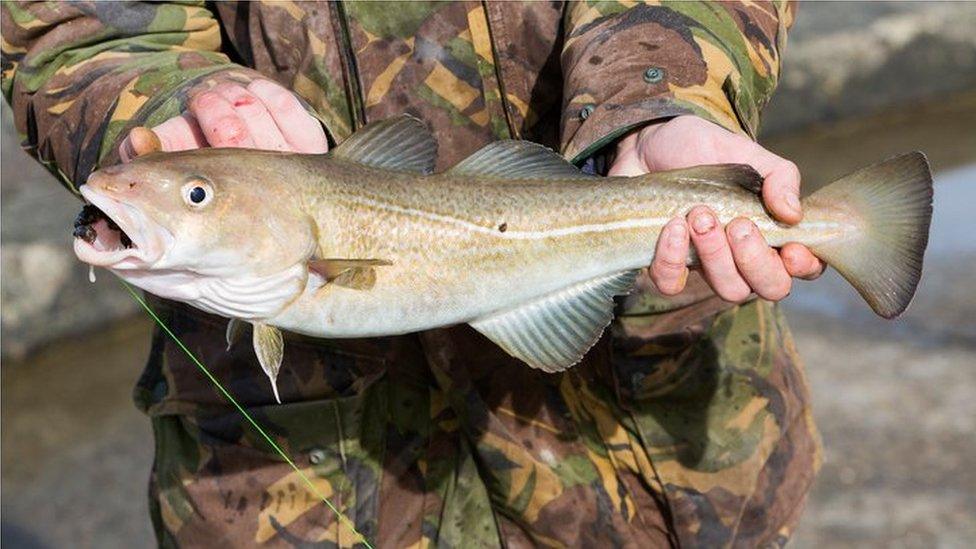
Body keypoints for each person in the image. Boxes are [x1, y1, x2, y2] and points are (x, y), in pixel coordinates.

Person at [3, 1, 822, 546]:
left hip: (653, 457)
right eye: (199, 195)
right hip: (290, 490)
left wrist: (657, 96)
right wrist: (167, 103)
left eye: (197, 197)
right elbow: (79, 26)